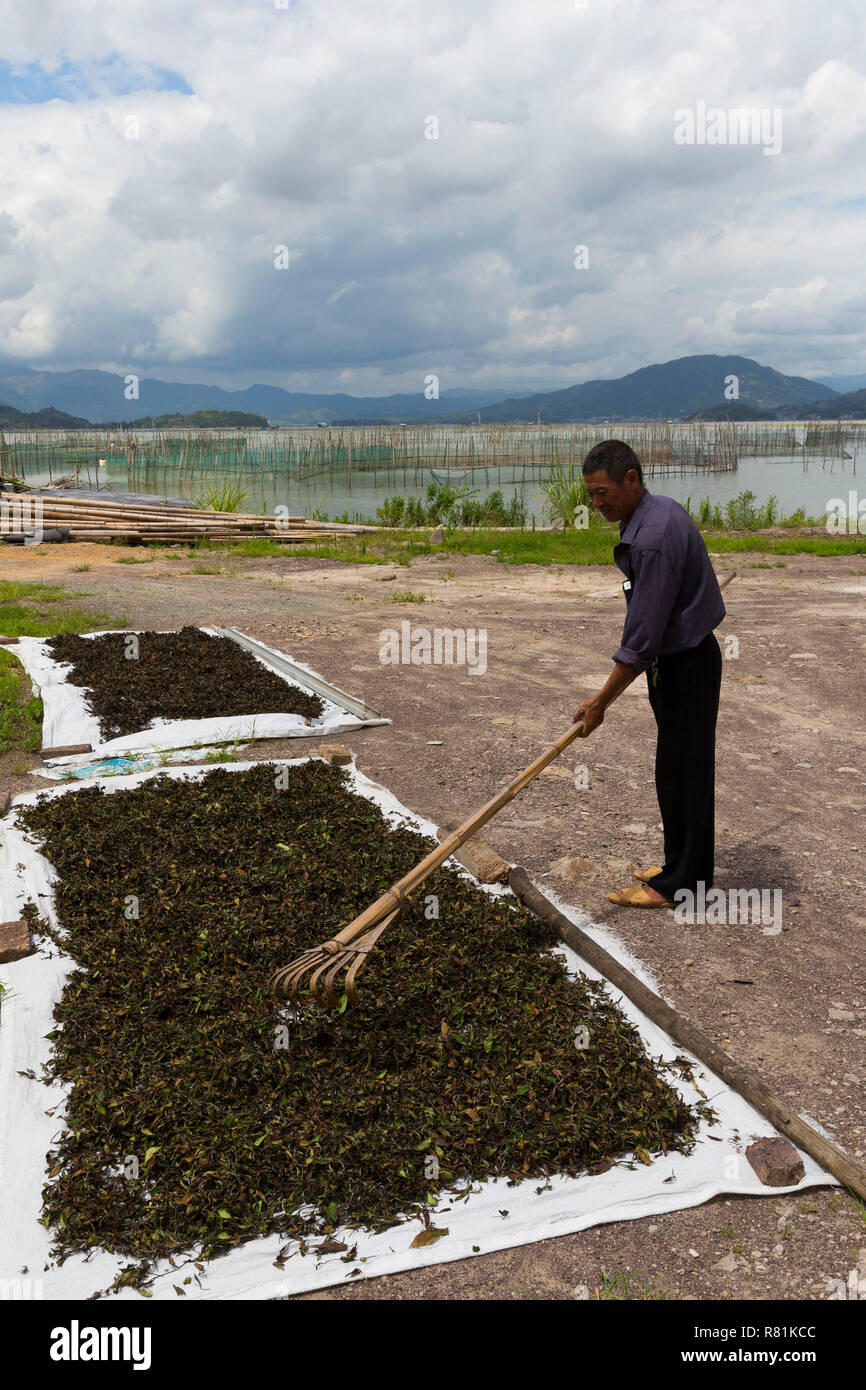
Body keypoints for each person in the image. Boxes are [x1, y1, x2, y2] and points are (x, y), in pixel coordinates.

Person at [574, 439, 725, 908]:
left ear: (631, 479)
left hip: (687, 666)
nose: (597, 504)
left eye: (603, 493)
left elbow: (640, 640)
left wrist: (599, 702)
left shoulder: (652, 541)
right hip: (679, 662)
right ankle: (682, 866)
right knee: (677, 770)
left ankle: (680, 885)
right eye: (591, 496)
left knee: (685, 773)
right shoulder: (657, 511)